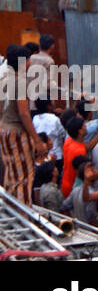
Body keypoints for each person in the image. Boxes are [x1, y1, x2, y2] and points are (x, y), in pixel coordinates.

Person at [0, 44, 41, 204]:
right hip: (16, 132)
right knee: (24, 177)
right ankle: (23, 214)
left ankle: (10, 210)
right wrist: (37, 140)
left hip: (4, 129)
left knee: (11, 174)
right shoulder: (20, 81)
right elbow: (24, 113)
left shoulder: (4, 78)